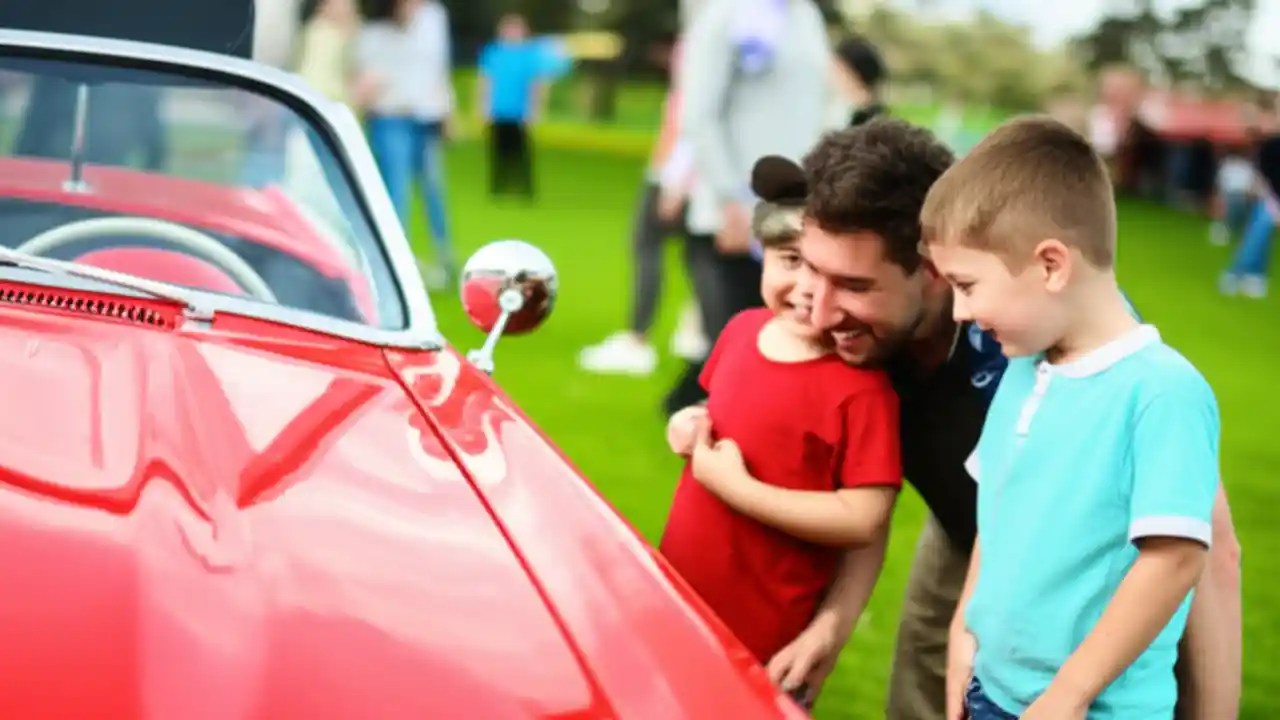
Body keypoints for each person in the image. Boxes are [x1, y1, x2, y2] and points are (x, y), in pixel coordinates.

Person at [693, 118, 1242, 719]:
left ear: (932, 269)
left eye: (852, 285)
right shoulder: (842, 328)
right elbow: (861, 495)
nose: (819, 311)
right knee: (925, 694)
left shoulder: (1046, 329)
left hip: (1079, 564)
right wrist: (834, 623)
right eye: (808, 269)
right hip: (975, 527)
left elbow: (1203, 552)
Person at [919, 116, 1218, 719]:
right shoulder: (1026, 370)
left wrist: (1068, 694)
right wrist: (963, 630)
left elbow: (1175, 559)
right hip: (992, 690)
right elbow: (997, 509)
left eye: (967, 284)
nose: (958, 311)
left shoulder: (1162, 392)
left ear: (1051, 264)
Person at [658, 158, 901, 710]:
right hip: (679, 598)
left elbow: (864, 518)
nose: (807, 289)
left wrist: (736, 488)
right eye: (791, 260)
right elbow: (721, 408)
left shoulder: (860, 390)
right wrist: (688, 422)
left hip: (770, 635)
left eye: (829, 273)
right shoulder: (743, 331)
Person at [662, 0, 833, 415]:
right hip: (733, 218)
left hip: (793, 212)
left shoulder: (806, 17)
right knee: (738, 344)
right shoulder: (725, 15)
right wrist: (728, 200)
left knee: (776, 342)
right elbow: (699, 116)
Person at [356, 0, 457, 288]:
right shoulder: (374, 33)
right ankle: (397, 269)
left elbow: (440, 66)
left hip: (426, 117)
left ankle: (445, 259)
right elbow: (366, 78)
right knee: (396, 191)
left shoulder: (434, 18)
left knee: (433, 190)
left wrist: (448, 110)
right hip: (390, 118)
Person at [478, 14, 547, 201]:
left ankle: (525, 189)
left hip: (520, 112)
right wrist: (483, 107)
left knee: (522, 152)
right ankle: (498, 187)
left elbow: (536, 83)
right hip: (498, 110)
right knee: (498, 152)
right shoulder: (492, 52)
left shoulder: (529, 54)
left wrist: (534, 109)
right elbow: (486, 81)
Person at [293, 0, 360, 107]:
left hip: (324, 100)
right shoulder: (319, 32)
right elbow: (313, 78)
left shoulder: (347, 36)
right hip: (318, 100)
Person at [1209, 145, 1255, 247]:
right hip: (1232, 195)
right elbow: (1221, 182)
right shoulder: (1229, 164)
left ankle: (1239, 239)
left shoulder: (1245, 166)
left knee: (1238, 219)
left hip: (1241, 195)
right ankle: (1223, 237)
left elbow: (1250, 183)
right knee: (1228, 218)